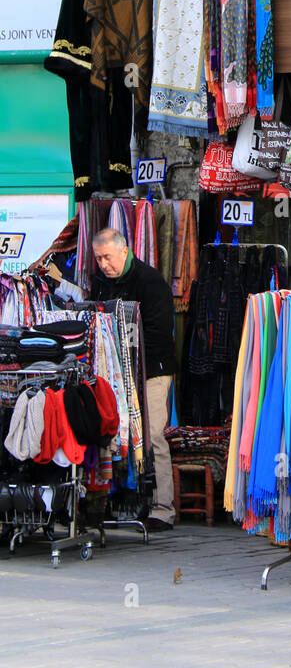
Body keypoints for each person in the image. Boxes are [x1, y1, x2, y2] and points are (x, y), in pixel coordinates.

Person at [91, 227, 176, 530]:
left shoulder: (150, 282)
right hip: (114, 372)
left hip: (152, 370)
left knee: (153, 436)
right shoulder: (101, 282)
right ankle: (113, 500)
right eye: (99, 258)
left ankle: (163, 508)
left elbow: (159, 332)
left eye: (107, 258)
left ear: (124, 251)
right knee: (114, 434)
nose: (103, 264)